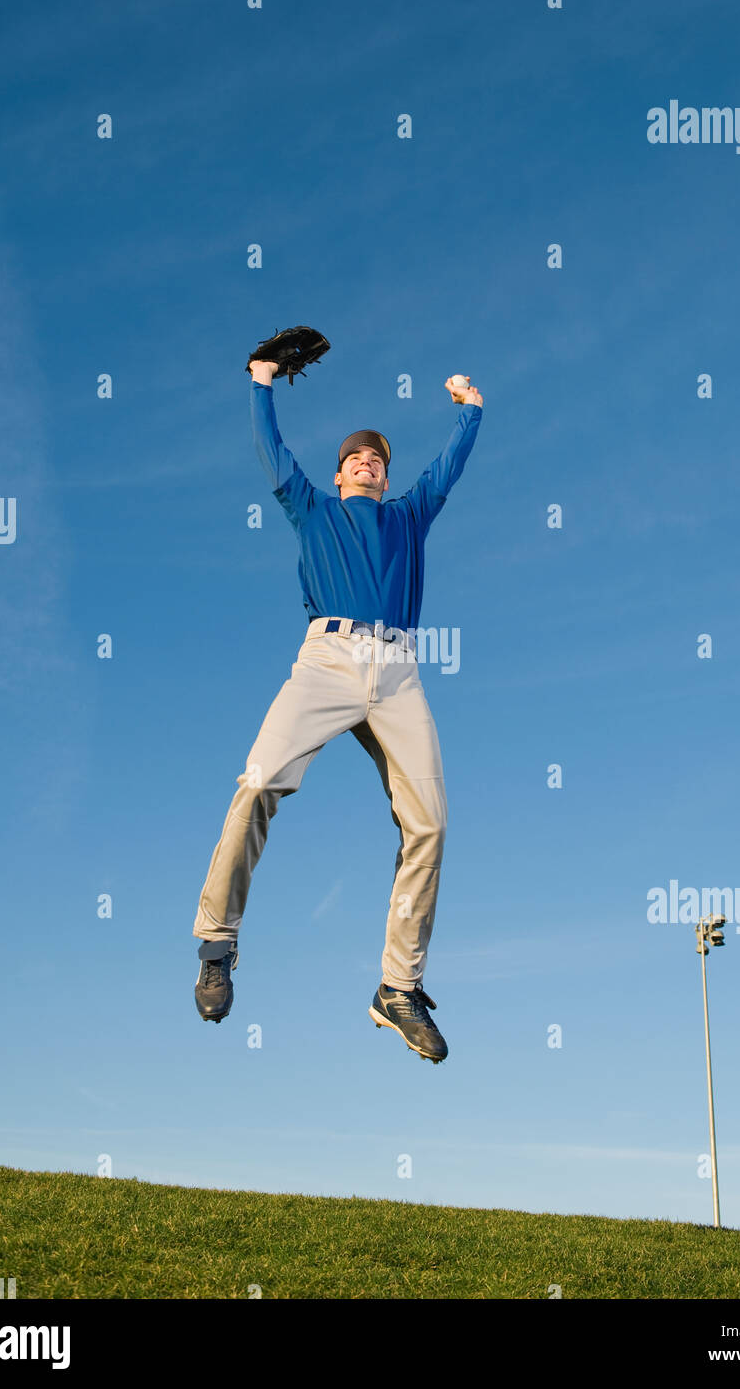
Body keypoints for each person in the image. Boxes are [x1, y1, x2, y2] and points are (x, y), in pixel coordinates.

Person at [192, 357, 483, 1063]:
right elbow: (272, 452)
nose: (366, 465)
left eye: (377, 459)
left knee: (431, 824)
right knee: (258, 784)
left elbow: (448, 468)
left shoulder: (410, 517)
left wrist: (470, 409)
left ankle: (398, 988)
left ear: (385, 475)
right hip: (326, 661)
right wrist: (261, 381)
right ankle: (216, 943)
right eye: (354, 457)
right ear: (340, 472)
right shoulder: (312, 508)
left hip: (398, 670)